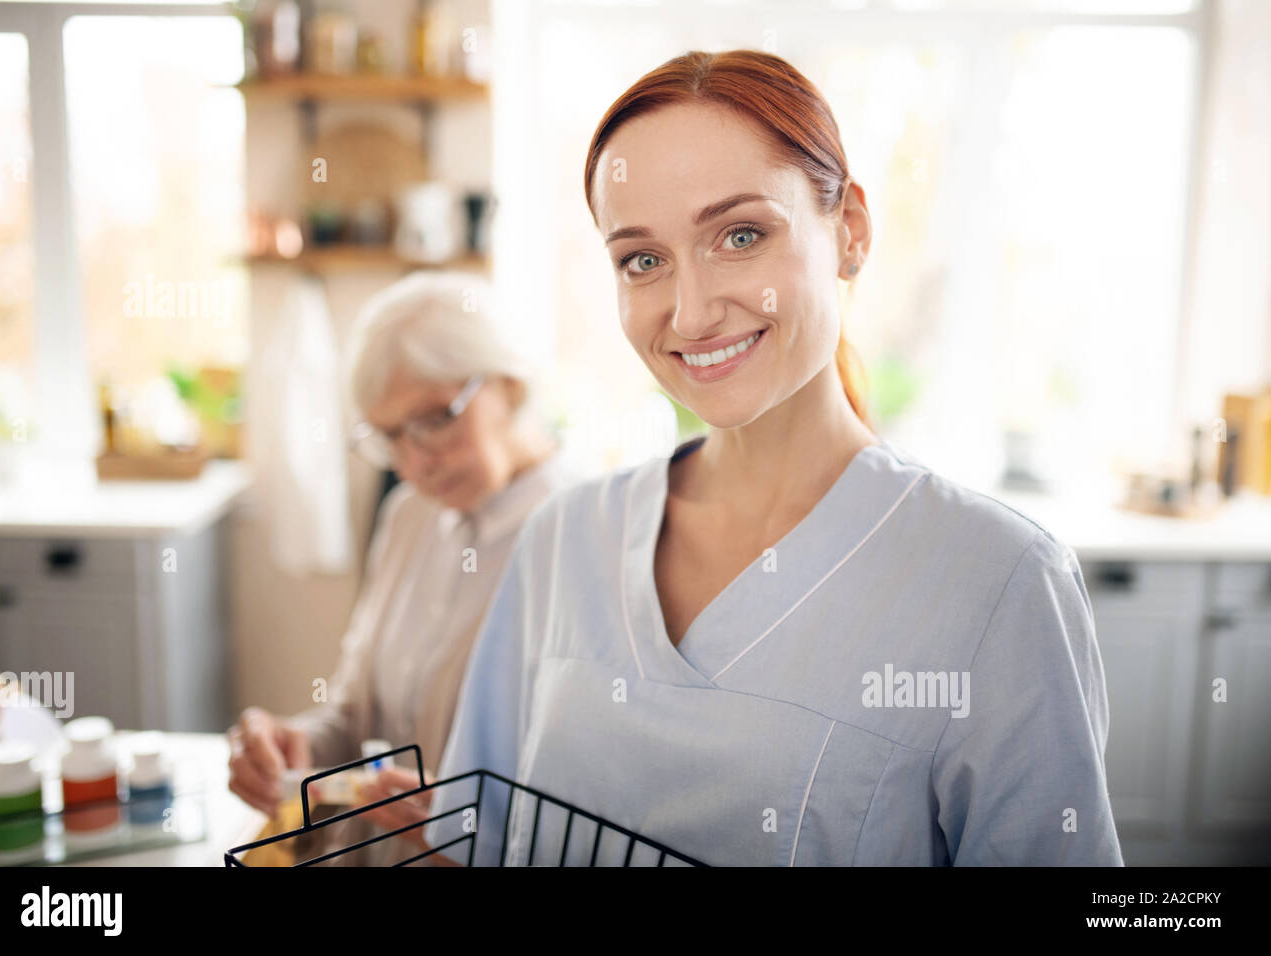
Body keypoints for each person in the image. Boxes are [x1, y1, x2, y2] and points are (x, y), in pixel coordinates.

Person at [407, 50, 1123, 866]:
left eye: (740, 235)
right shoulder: (563, 541)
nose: (691, 311)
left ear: (849, 230)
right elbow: (471, 845)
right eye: (642, 259)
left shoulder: (998, 582)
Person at [226, 271, 577, 864]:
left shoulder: (583, 536)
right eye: (390, 436)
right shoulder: (409, 516)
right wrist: (294, 750)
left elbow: (585, 802)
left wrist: (457, 827)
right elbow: (358, 714)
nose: (414, 462)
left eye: (436, 419)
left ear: (512, 386)